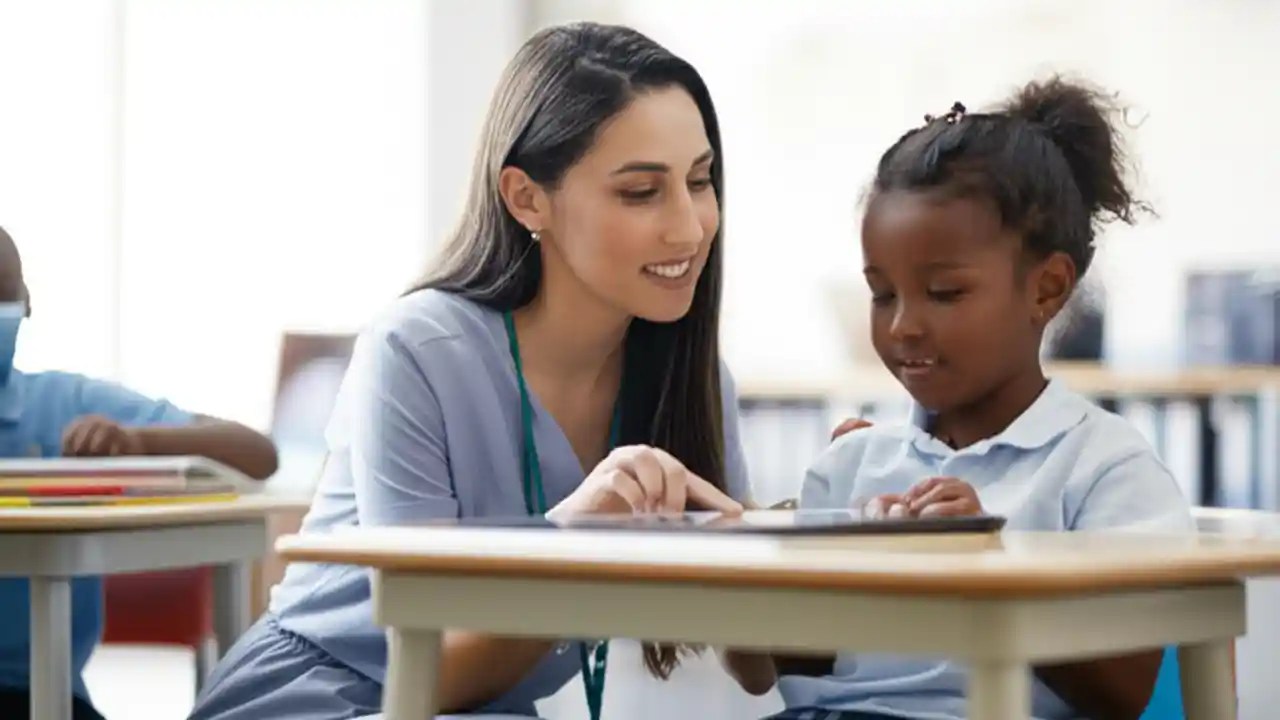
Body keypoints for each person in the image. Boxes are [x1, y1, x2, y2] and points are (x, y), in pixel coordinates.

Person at [189, 22, 750, 720]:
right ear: (525, 198)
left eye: (700, 181)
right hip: (325, 698)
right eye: (641, 192)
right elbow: (428, 676)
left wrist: (821, 527)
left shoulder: (692, 378)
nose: (691, 227)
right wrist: (575, 536)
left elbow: (753, 667)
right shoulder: (417, 350)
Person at [722, 77, 1193, 720]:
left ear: (1046, 289)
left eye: (943, 294)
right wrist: (772, 572)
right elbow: (783, 666)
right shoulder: (853, 464)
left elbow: (1132, 690)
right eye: (882, 293)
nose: (902, 326)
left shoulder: (1104, 466)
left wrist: (985, 569)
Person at [0, 227, 279, 720]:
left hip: (39, 696)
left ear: (26, 303)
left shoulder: (66, 405)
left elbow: (255, 454)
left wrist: (141, 443)